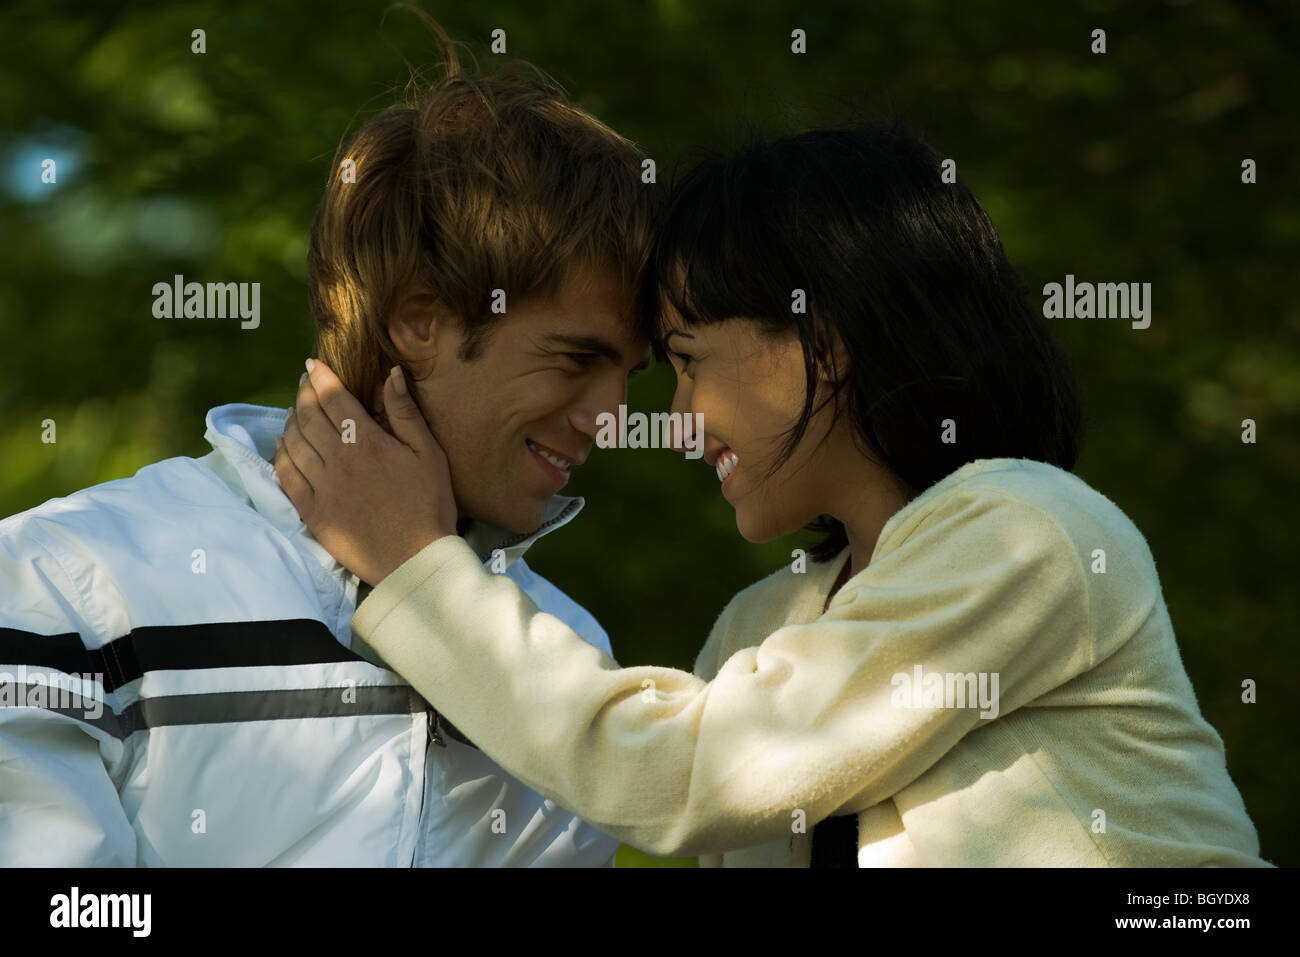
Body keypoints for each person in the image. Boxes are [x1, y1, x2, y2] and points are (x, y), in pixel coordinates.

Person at [275, 119, 1271, 867]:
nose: (683, 420)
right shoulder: (762, 625)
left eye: (690, 361)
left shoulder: (1024, 532)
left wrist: (414, 565)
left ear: (824, 339)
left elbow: (684, 776)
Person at [0, 35, 655, 866]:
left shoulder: (568, 659)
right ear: (421, 322)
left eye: (630, 374)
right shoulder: (63, 586)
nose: (613, 416)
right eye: (575, 359)